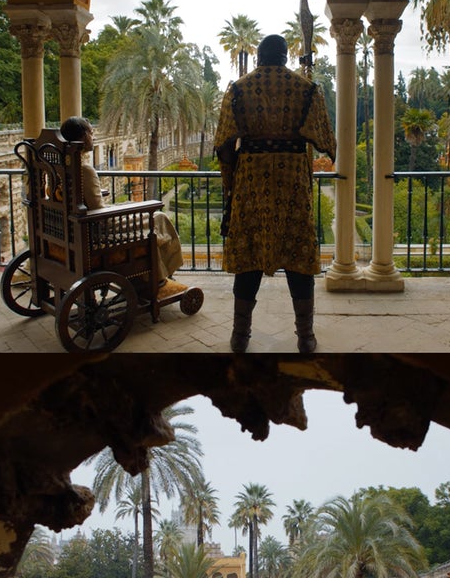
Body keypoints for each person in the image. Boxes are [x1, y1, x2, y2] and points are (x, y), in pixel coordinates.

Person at [213, 33, 335, 353]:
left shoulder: (238, 89)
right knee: (298, 256)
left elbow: (224, 144)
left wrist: (231, 182)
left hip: (251, 181)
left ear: (258, 57)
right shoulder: (307, 89)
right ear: (285, 56)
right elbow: (325, 140)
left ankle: (240, 336)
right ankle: (305, 337)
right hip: (292, 182)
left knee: (249, 257)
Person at [62, 116, 187, 296]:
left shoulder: (63, 168)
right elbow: (98, 210)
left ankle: (155, 275)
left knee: (138, 210)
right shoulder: (85, 170)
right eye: (90, 132)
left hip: (78, 227)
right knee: (159, 218)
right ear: (82, 137)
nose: (93, 136)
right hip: (98, 228)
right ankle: (160, 278)